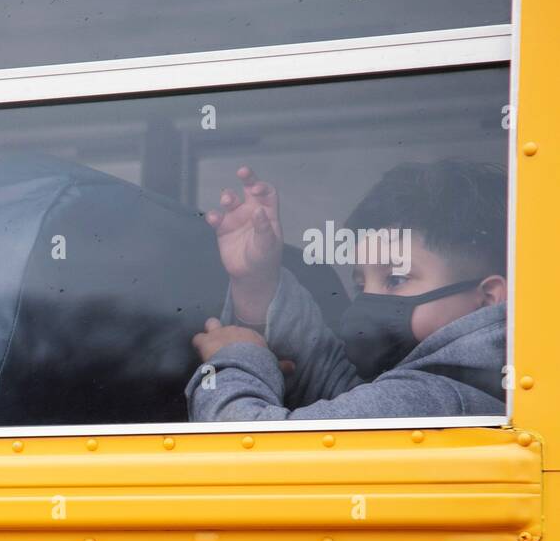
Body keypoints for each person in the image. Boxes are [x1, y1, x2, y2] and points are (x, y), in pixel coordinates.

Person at [187, 160, 508, 421]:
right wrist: (256, 281)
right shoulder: (460, 389)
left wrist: (233, 359)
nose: (369, 300)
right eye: (360, 284)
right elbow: (333, 384)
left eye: (396, 279)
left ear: (487, 300)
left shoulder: (429, 401)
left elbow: (246, 449)